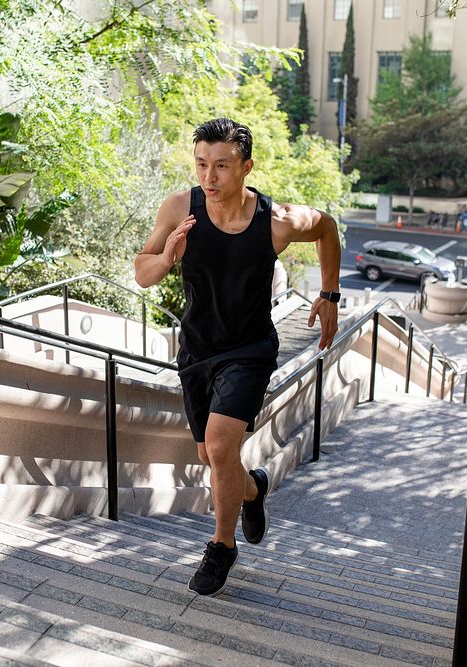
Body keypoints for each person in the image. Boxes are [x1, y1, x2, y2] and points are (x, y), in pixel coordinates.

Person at [134, 118, 341, 596]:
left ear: (246, 167)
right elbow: (143, 273)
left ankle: (221, 546)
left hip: (249, 350)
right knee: (212, 455)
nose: (209, 176)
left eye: (222, 166)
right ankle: (254, 488)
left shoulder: (277, 221)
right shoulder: (179, 207)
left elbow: (327, 227)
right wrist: (166, 258)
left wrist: (329, 293)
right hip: (197, 349)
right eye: (202, 164)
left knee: (220, 446)